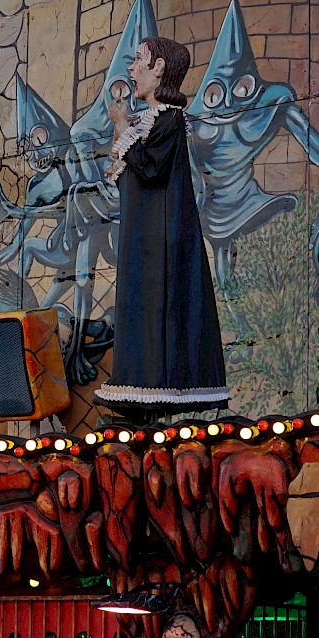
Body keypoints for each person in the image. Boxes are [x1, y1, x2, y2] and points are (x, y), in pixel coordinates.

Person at [94, 36, 228, 420]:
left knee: (161, 310)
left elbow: (150, 168)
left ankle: (159, 383)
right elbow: (134, 174)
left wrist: (122, 127)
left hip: (160, 243)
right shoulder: (149, 124)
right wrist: (124, 133)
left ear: (159, 69)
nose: (132, 69)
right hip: (143, 242)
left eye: (140, 61)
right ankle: (141, 383)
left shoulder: (169, 119)